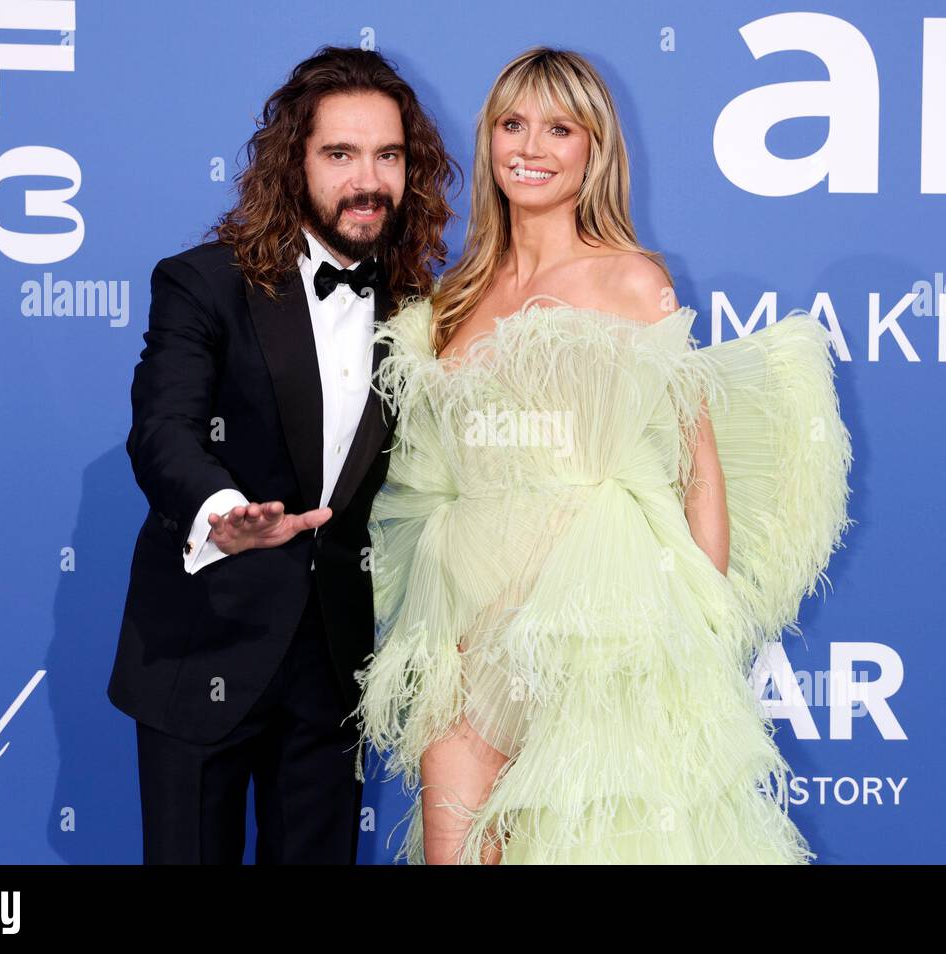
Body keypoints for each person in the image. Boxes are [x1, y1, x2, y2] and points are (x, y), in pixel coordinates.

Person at [349, 46, 855, 864]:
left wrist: (700, 634)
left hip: (599, 634)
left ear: (595, 150)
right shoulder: (451, 299)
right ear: (489, 142)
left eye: (559, 128)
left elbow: (699, 469)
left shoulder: (632, 280)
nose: (531, 147)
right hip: (470, 631)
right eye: (513, 124)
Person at [107, 45, 458, 864]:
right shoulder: (204, 284)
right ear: (292, 161)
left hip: (332, 670)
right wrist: (224, 515)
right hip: (203, 645)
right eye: (340, 153)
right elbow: (163, 432)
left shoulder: (422, 312)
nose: (367, 179)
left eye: (388, 155)